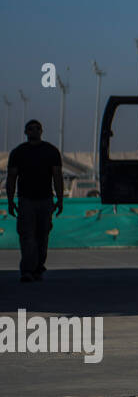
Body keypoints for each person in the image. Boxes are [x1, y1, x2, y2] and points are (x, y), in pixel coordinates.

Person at [6, 119, 63, 281]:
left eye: (37, 128)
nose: (34, 131)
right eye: (30, 129)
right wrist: (10, 201)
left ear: (41, 131)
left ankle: (37, 267)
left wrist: (60, 199)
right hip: (26, 201)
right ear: (26, 132)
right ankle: (27, 270)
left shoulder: (51, 151)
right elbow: (11, 178)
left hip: (46, 200)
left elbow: (57, 176)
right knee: (27, 236)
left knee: (42, 235)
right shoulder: (18, 153)